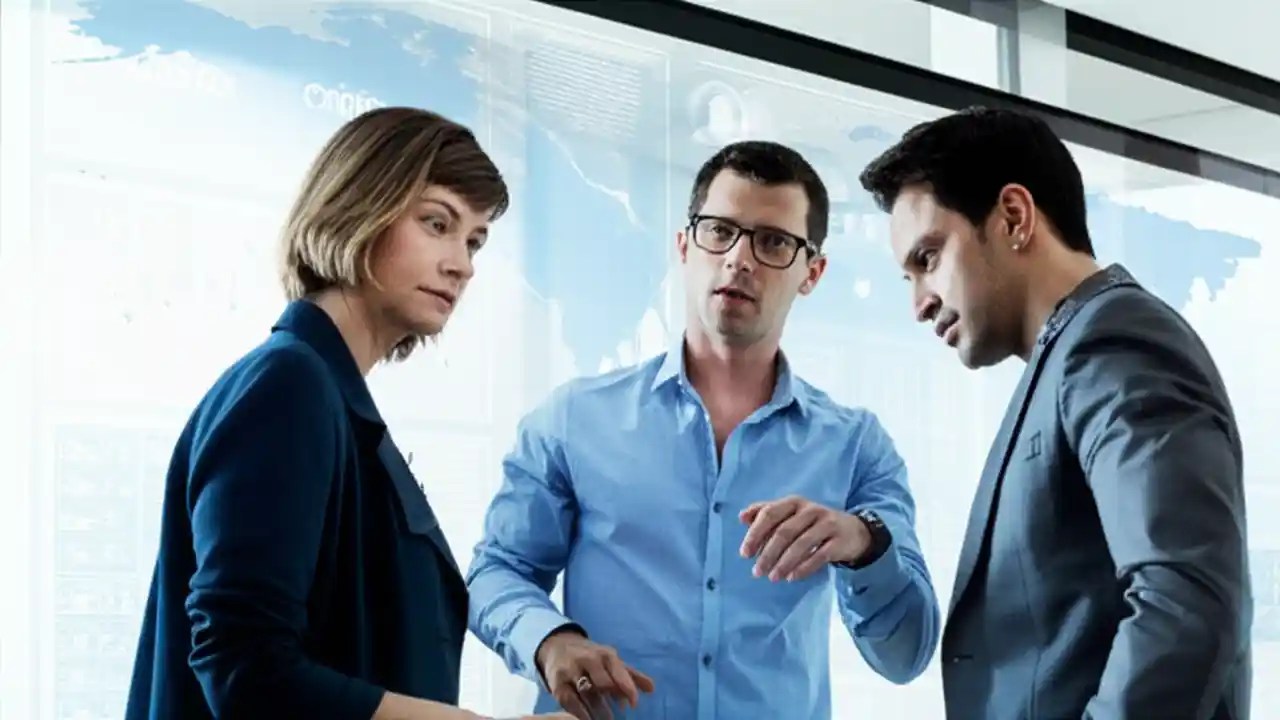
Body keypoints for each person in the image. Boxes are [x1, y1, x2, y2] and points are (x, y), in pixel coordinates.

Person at [124, 107, 571, 720]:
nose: (462, 264)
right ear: (361, 208)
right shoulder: (288, 385)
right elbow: (245, 669)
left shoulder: (321, 393)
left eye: (474, 241)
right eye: (436, 223)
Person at [467, 140, 940, 719]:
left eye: (772, 242)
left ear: (812, 273)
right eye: (720, 231)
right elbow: (497, 571)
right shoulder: (573, 420)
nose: (739, 259)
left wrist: (866, 546)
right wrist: (549, 640)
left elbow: (906, 655)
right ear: (684, 244)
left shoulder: (857, 447)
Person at [858, 106, 1252, 720]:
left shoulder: (1116, 340)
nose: (919, 302)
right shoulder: (1066, 357)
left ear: (1013, 217)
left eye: (929, 258)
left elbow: (1184, 601)